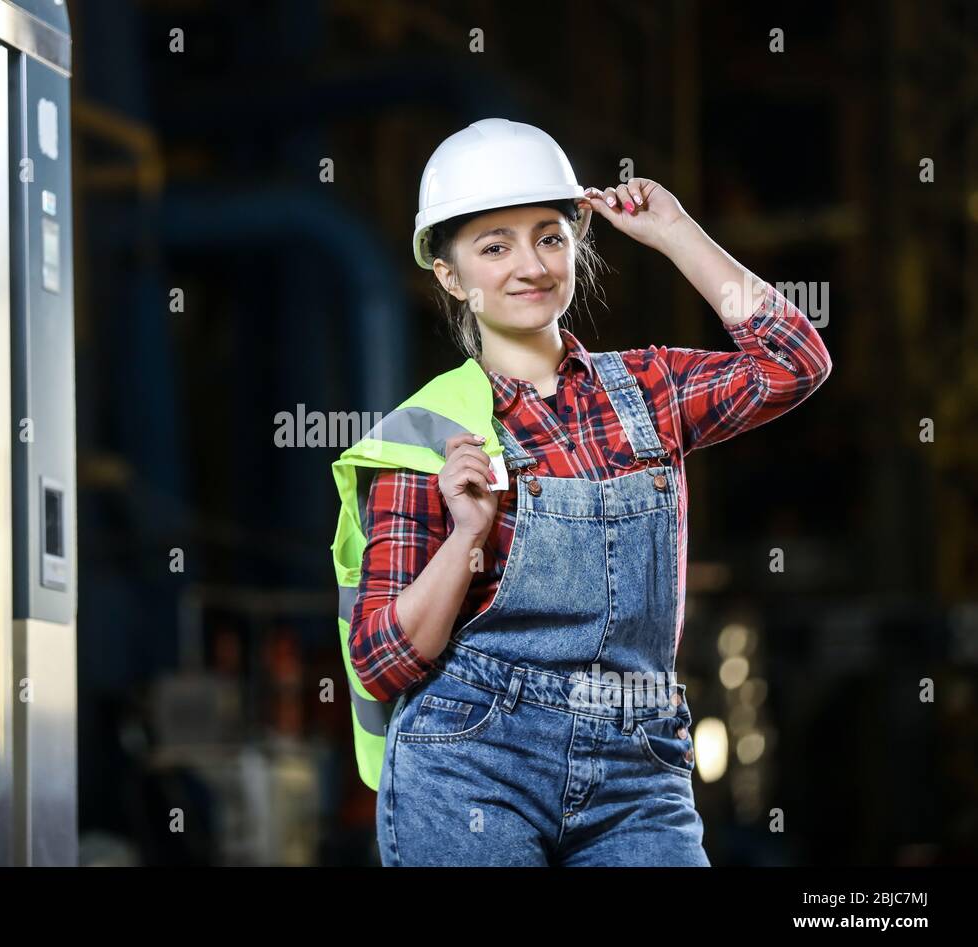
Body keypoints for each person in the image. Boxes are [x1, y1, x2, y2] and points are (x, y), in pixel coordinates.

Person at [348, 118, 832, 866]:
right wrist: (465, 536)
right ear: (450, 276)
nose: (530, 265)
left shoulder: (648, 389)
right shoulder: (427, 432)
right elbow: (384, 662)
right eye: (494, 246)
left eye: (549, 235)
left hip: (637, 766)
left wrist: (677, 235)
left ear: (578, 240)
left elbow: (794, 362)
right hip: (473, 765)